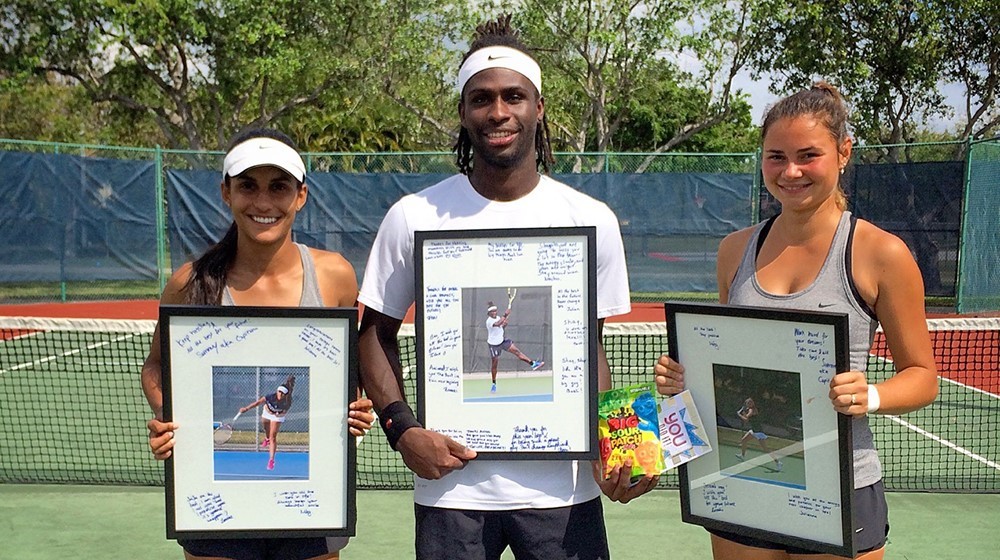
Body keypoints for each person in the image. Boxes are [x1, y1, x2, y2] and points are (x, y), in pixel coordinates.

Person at [357, 14, 656, 560]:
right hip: (451, 493)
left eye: (514, 97)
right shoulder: (411, 216)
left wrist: (620, 443)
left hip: (564, 495)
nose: (499, 112)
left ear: (537, 107)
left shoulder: (591, 219)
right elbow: (373, 334)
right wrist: (402, 430)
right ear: (465, 112)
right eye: (482, 98)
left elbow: (591, 346)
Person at [654, 83, 938, 559]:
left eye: (809, 155)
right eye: (775, 156)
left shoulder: (882, 253)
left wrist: (868, 395)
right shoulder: (733, 251)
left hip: (841, 485)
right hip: (742, 484)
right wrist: (684, 376)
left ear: (844, 152)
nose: (791, 172)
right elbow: (727, 356)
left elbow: (923, 378)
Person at [140, 128, 375, 560]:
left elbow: (347, 371)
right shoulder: (189, 284)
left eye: (278, 187)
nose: (263, 202)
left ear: (300, 196)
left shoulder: (335, 276)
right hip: (214, 507)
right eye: (248, 185)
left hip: (311, 502)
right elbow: (156, 366)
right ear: (225, 192)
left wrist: (358, 406)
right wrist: (171, 417)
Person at [240, 375, 297, 470]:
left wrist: (277, 414)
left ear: (285, 395)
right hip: (267, 412)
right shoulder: (270, 396)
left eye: (283, 393)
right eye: (279, 392)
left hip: (277, 416)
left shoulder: (287, 402)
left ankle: (271, 460)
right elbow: (257, 403)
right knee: (265, 426)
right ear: (277, 391)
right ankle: (266, 438)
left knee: (273, 437)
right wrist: (246, 408)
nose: (280, 394)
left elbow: (283, 412)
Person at [484, 300, 543, 393]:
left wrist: (505, 324)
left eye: (495, 311)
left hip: (502, 340)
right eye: (493, 311)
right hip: (494, 344)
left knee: (516, 351)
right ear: (489, 313)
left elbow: (501, 326)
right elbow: (498, 324)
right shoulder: (489, 321)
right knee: (494, 364)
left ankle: (533, 364)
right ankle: (494, 384)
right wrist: (505, 315)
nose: (495, 312)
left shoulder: (498, 317)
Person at [735, 397, 782, 471]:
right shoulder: (748, 409)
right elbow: (747, 419)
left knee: (766, 449)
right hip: (753, 431)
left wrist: (739, 414)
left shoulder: (752, 410)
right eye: (748, 403)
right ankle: (742, 455)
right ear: (746, 404)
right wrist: (743, 413)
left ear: (753, 403)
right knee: (744, 440)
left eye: (751, 402)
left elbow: (746, 418)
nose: (750, 403)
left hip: (759, 432)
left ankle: (778, 462)